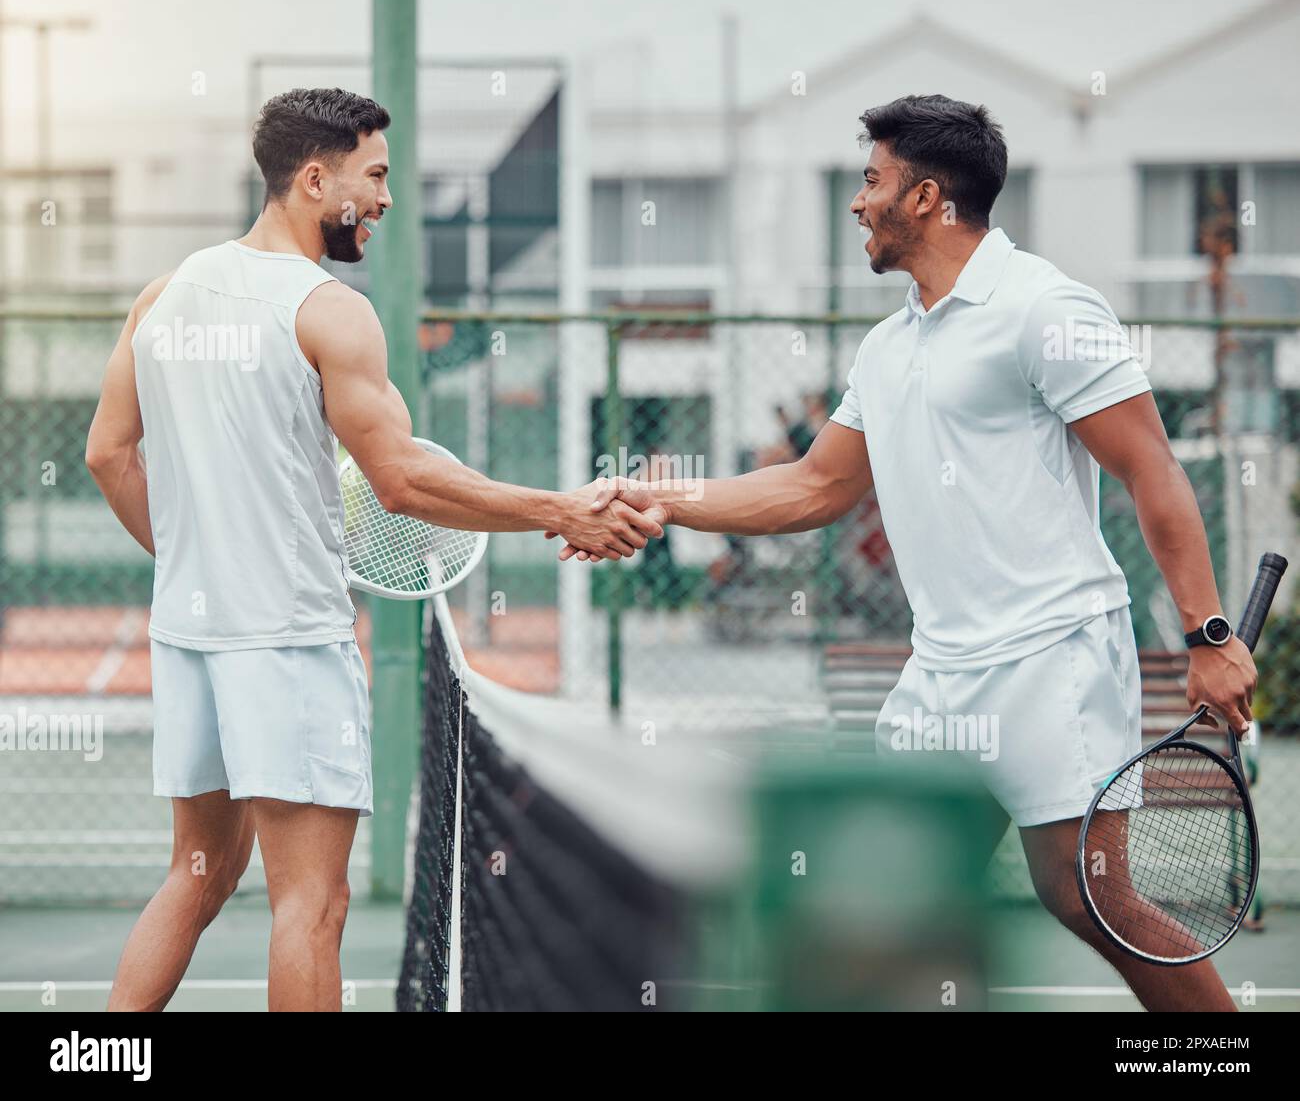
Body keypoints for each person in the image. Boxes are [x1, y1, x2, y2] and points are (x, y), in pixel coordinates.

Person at [555, 94, 1256, 1012]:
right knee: (872, 897)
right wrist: (662, 498)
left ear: (926, 198)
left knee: (1094, 897)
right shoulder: (888, 348)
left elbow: (1152, 470)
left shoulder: (1045, 308)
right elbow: (813, 488)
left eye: (871, 181)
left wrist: (1208, 634)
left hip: (1055, 656)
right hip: (942, 671)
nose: (857, 203)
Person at [85, 87, 663, 1011]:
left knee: (193, 876)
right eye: (378, 176)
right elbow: (400, 479)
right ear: (317, 180)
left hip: (189, 637)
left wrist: (199, 562)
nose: (390, 200)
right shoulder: (329, 310)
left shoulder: (163, 297)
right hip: (287, 640)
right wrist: (564, 508)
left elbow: (106, 453)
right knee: (311, 903)